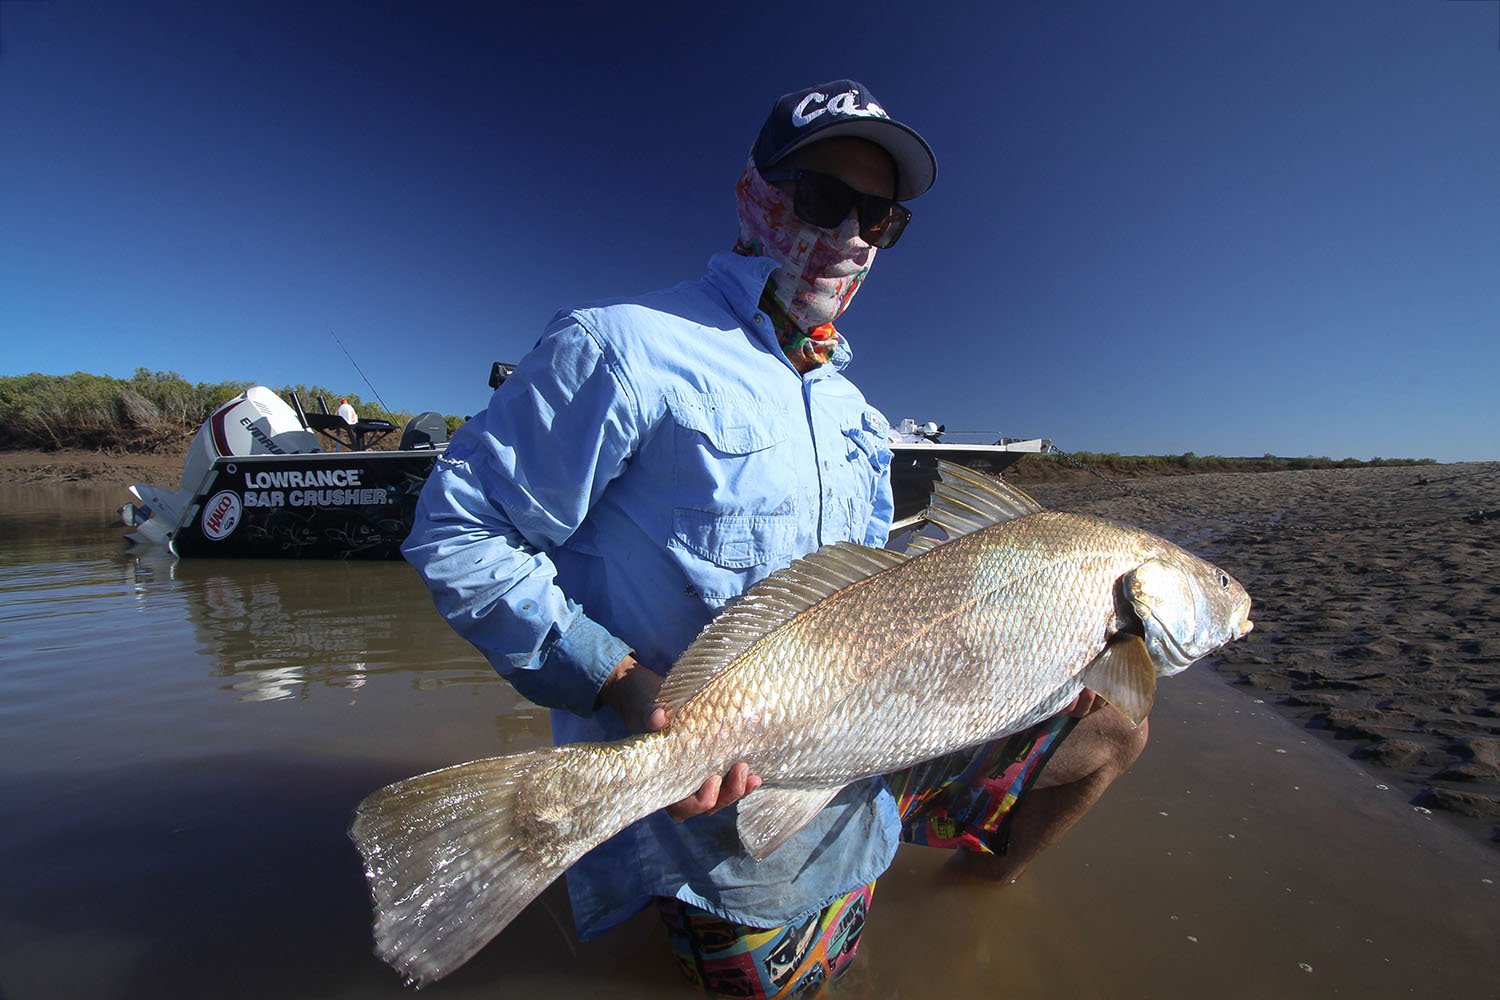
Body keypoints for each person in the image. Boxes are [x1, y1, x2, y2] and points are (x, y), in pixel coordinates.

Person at [403, 79, 1146, 998]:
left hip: (865, 769)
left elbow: (867, 600)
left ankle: (981, 891)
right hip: (720, 816)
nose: (854, 234)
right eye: (826, 197)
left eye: (882, 217)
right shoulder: (626, 347)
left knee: (1111, 725)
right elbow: (459, 528)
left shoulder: (858, 417)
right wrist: (624, 683)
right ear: (755, 195)